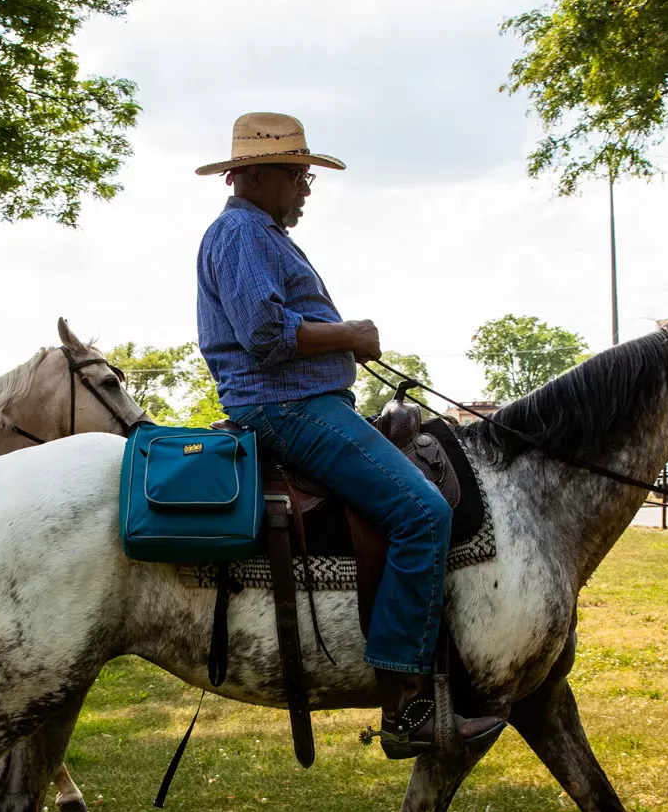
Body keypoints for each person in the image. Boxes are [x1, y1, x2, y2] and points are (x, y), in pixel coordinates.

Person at [194, 111, 501, 760]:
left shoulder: (259, 232)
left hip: (308, 400)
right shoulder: (243, 233)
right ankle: (407, 707)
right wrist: (350, 335)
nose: (306, 187)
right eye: (297, 174)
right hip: (289, 406)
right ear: (252, 174)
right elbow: (267, 336)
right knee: (421, 513)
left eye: (308, 175)